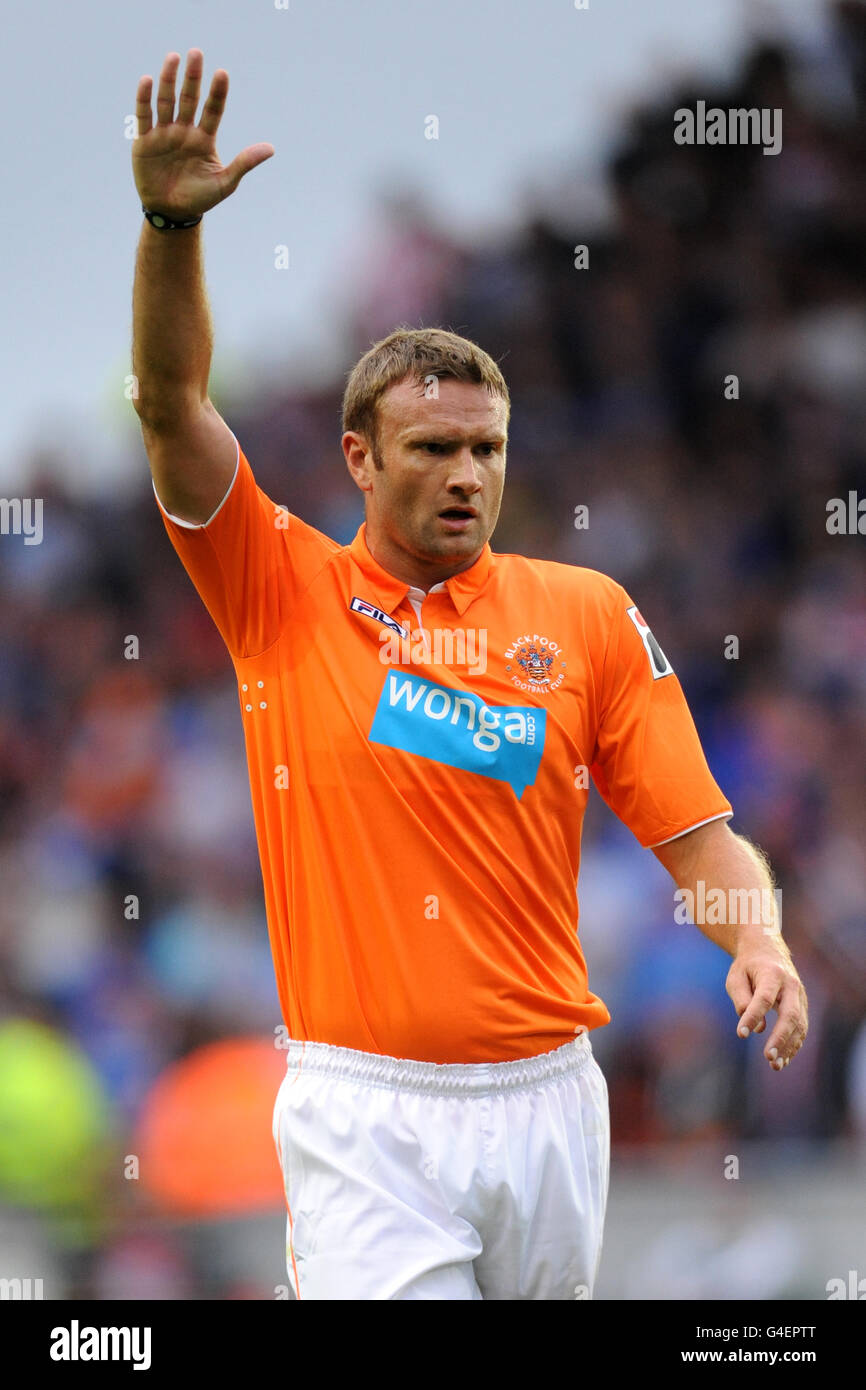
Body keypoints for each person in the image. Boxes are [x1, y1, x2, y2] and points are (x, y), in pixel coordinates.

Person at [130, 49, 809, 1301]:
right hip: (366, 1110)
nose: (464, 474)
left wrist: (754, 937)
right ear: (356, 455)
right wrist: (171, 227)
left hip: (550, 1100)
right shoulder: (278, 592)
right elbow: (172, 408)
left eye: (485, 448)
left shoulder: (586, 613)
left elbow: (698, 836)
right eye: (432, 446)